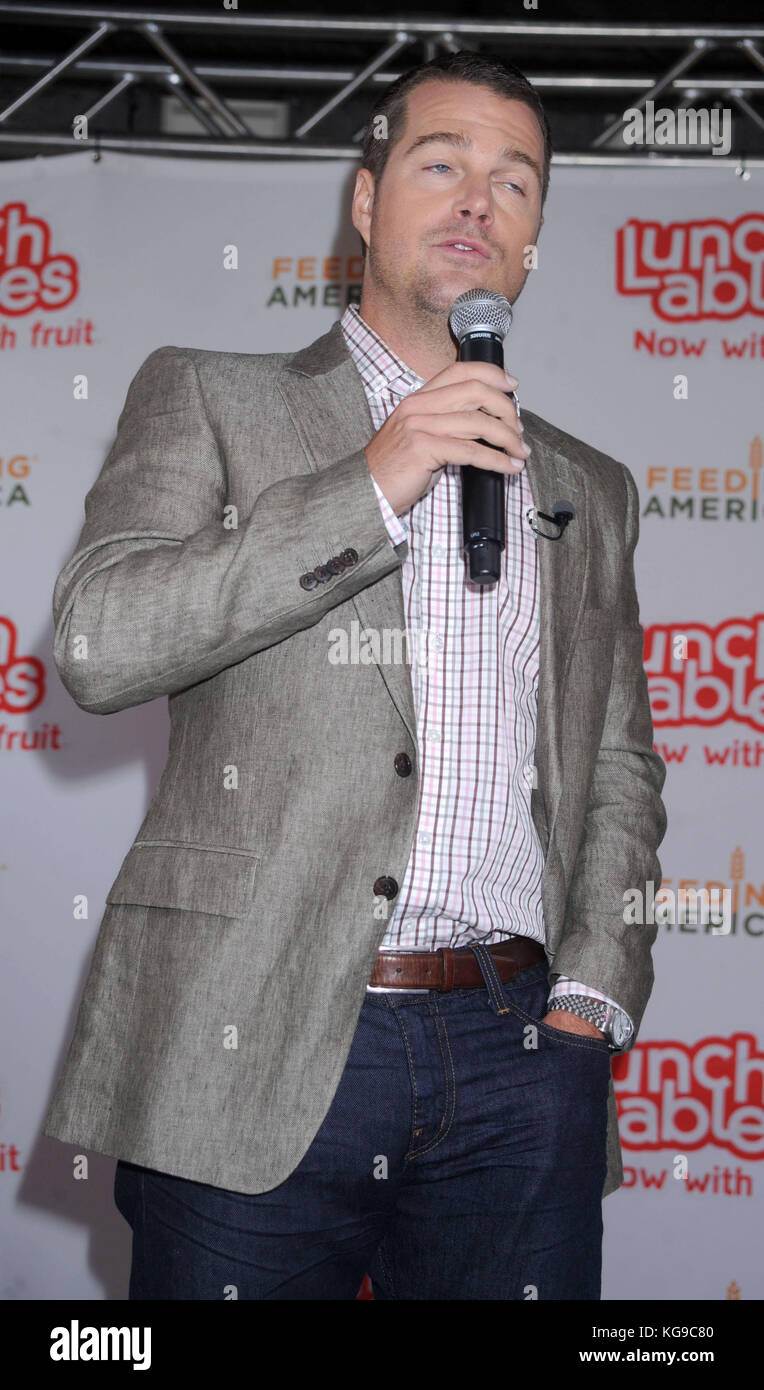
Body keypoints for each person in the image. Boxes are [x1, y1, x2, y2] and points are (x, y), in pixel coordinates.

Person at [43, 50, 667, 1300]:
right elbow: (100, 642)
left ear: (535, 238)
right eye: (439, 165)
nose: (476, 203)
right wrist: (371, 484)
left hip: (516, 1053)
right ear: (365, 200)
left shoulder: (586, 487)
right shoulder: (208, 396)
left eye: (514, 182)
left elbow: (617, 763)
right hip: (251, 1033)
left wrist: (595, 989)